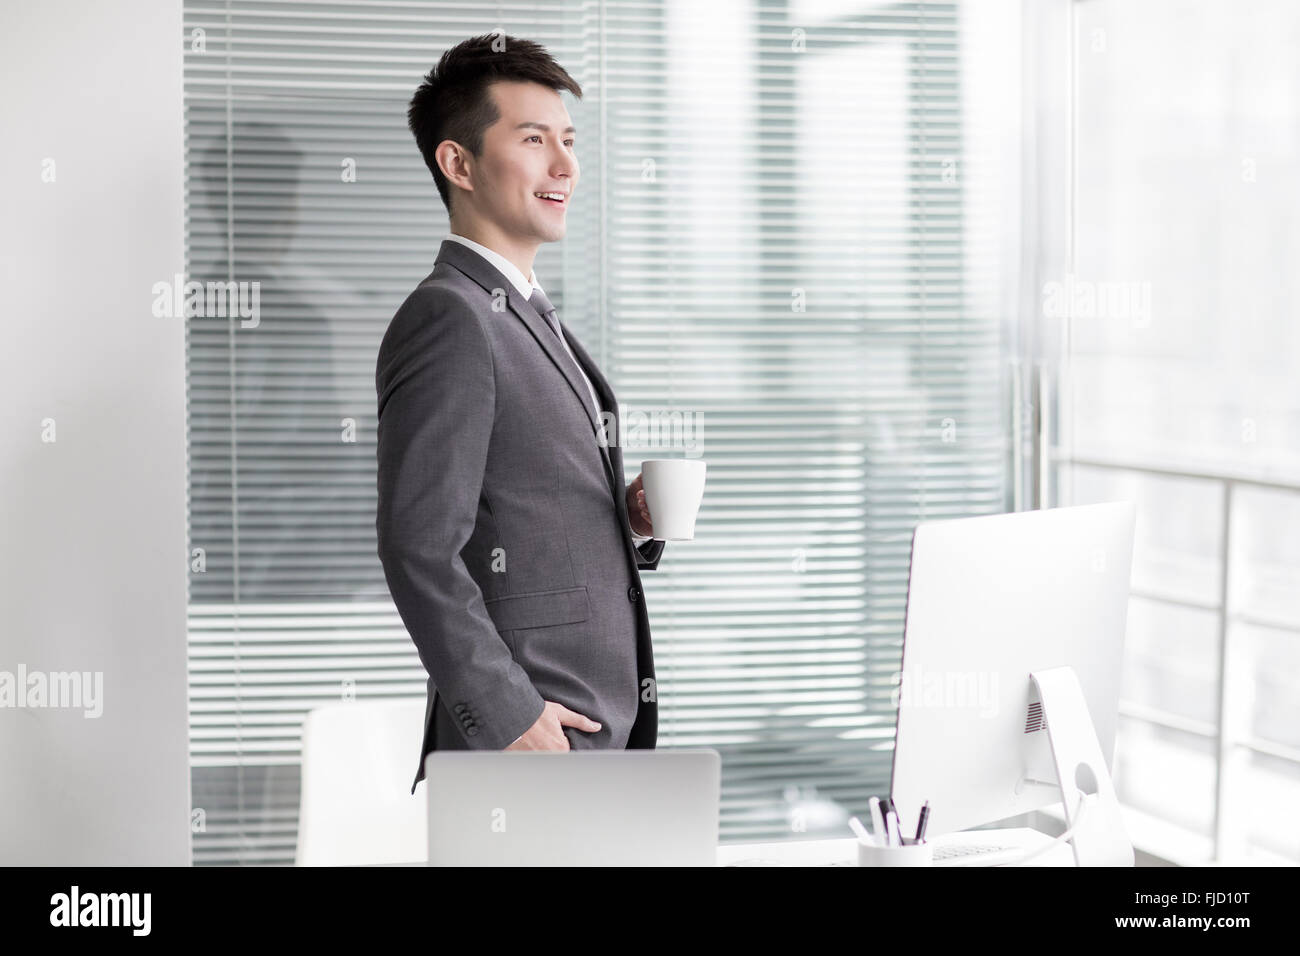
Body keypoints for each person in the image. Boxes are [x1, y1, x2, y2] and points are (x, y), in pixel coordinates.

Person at [375, 33, 668, 794]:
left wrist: (622, 515)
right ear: (458, 163)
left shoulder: (521, 313)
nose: (565, 166)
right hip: (529, 746)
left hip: (586, 734)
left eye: (568, 141)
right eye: (534, 140)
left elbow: (519, 503)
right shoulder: (451, 317)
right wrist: (508, 717)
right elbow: (419, 546)